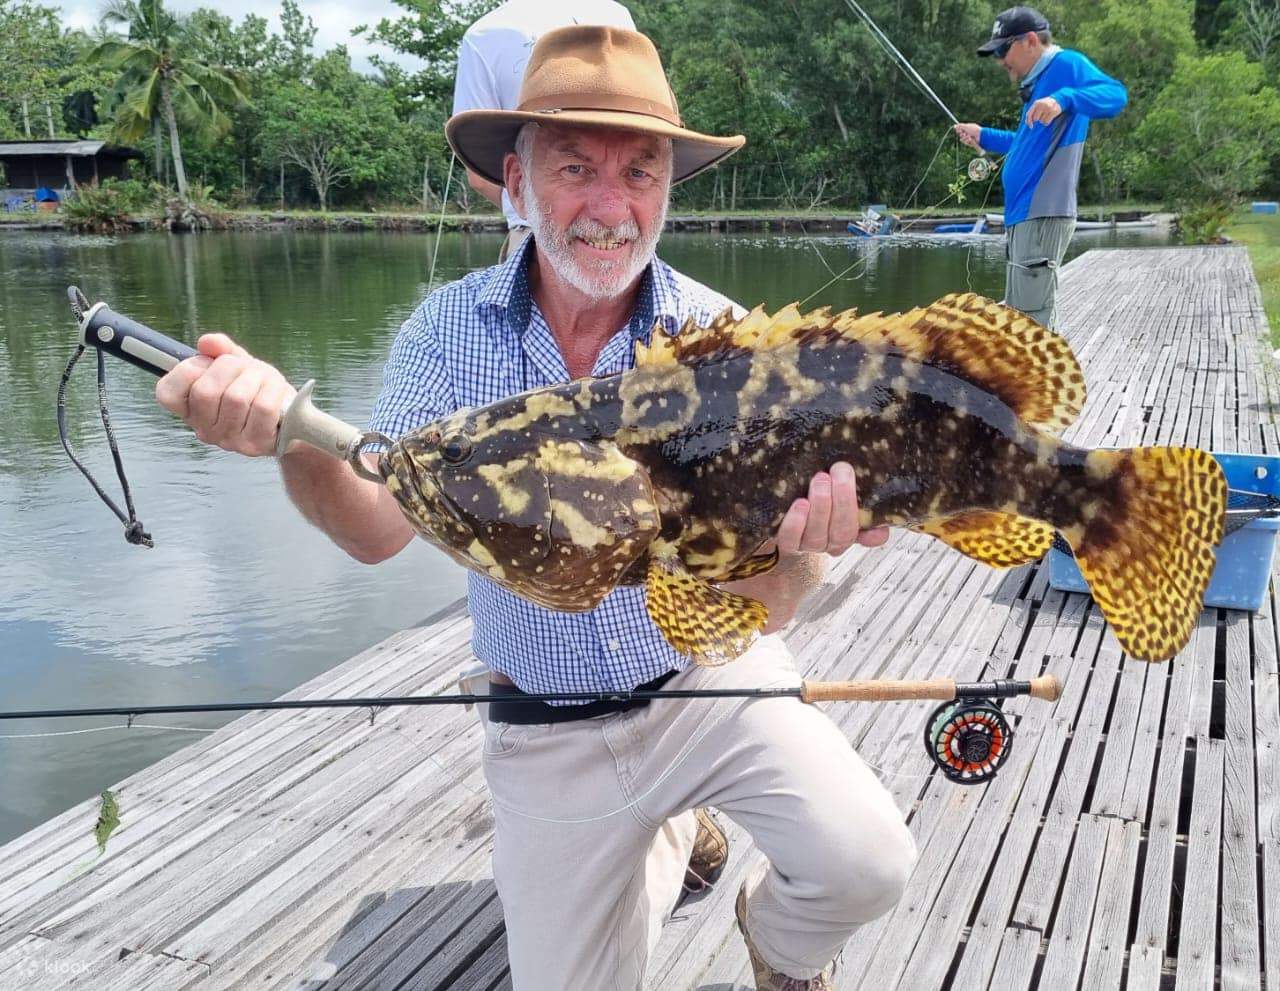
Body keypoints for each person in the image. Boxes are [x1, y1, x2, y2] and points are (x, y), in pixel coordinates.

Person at [154, 26, 917, 991]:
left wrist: (805, 547)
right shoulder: (446, 329)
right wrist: (292, 440)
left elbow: (768, 608)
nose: (610, 205)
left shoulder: (724, 340)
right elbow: (377, 530)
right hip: (543, 723)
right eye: (573, 167)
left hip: (705, 685)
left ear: (668, 190)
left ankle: (778, 944)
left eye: (640, 171)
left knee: (869, 862)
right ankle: (676, 826)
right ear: (516, 182)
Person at [954, 5, 1126, 328]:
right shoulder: (1038, 84)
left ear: (1030, 40)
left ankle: (1042, 380)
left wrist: (1064, 99)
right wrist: (982, 135)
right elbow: (1025, 143)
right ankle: (1031, 378)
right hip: (1024, 216)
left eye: (1004, 49)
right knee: (1022, 315)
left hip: (1042, 212)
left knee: (1032, 321)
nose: (1000, 59)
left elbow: (1116, 95)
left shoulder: (1066, 65)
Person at [452, 0, 636, 261]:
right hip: (623, 235)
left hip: (532, 232)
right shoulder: (615, 14)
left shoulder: (483, 34)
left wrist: (535, 208)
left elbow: (478, 178)